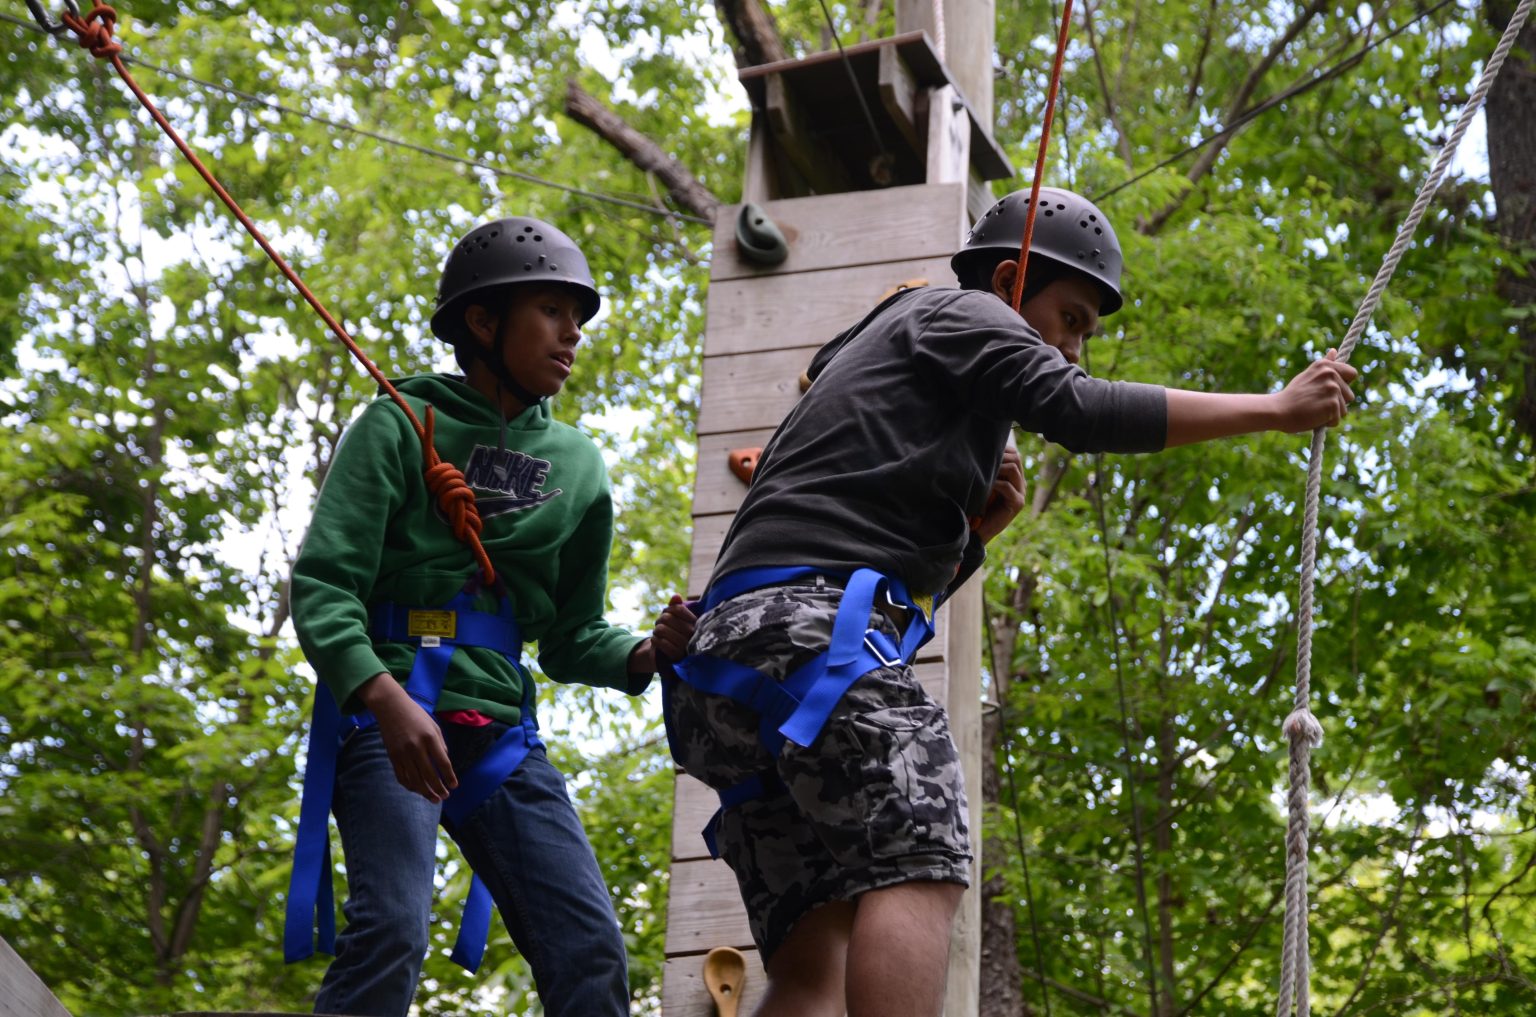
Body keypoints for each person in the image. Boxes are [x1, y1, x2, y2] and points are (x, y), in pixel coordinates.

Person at [662, 186, 1358, 1017]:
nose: (1072, 351)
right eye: (1069, 321)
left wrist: (974, 535)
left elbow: (882, 583)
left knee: (817, 948)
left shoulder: (873, 373)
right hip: (808, 638)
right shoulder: (959, 311)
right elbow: (1081, 411)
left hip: (728, 675)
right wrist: (1275, 409)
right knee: (919, 854)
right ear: (1008, 279)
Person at [287, 215, 694, 1017]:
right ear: (483, 321)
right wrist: (383, 698)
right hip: (392, 704)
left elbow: (573, 634)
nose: (572, 335)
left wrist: (646, 652)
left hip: (500, 732)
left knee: (591, 950)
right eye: (551, 310)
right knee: (392, 930)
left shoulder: (579, 466)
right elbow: (325, 585)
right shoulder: (397, 423)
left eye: (577, 318)